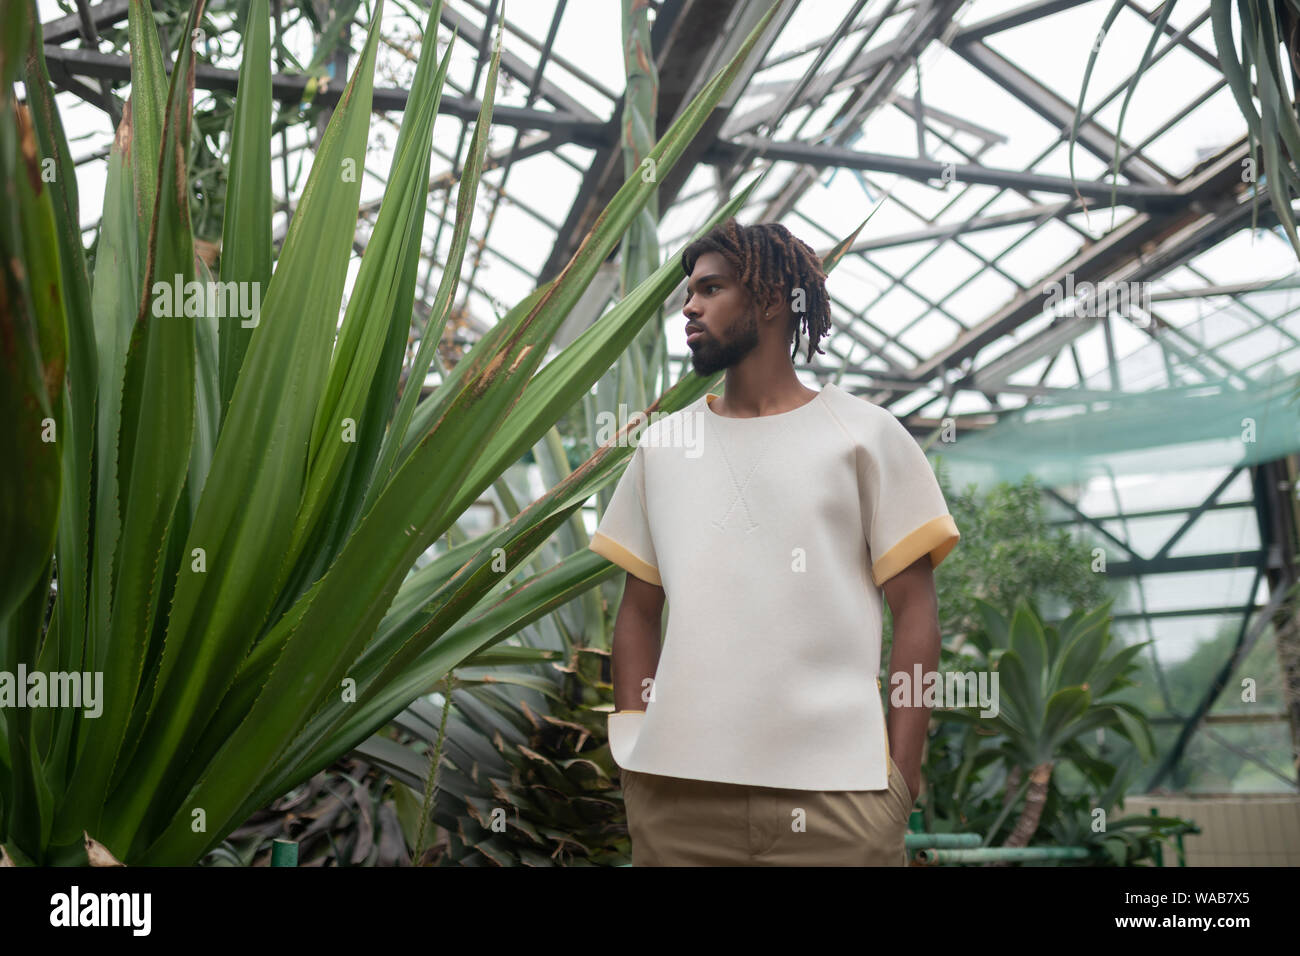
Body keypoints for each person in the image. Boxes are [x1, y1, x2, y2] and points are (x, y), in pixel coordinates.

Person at [589, 218, 960, 865]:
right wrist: (633, 750)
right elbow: (638, 614)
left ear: (770, 298)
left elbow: (917, 612)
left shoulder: (866, 437)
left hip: (839, 803)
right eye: (688, 293)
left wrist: (901, 776)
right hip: (677, 803)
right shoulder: (661, 447)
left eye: (711, 289)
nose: (690, 307)